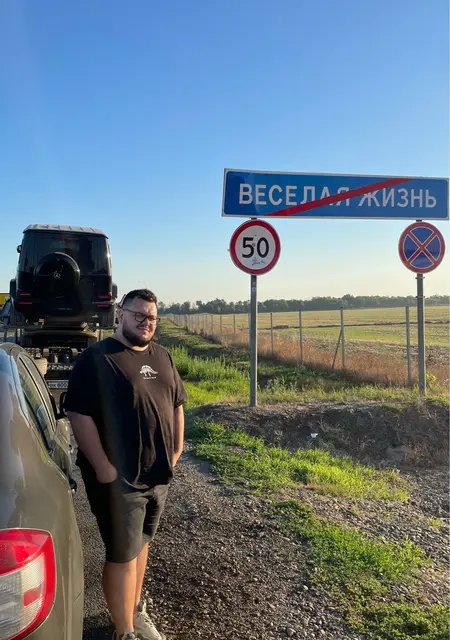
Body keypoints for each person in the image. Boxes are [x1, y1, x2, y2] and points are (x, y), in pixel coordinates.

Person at [65, 289, 187, 640]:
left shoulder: (162, 356)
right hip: (119, 480)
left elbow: (177, 403)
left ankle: (133, 613)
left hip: (157, 475)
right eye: (139, 315)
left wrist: (176, 450)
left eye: (152, 317)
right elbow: (78, 413)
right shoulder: (97, 359)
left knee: (141, 544)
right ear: (121, 313)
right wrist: (103, 467)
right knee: (122, 554)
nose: (146, 322)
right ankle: (125, 632)